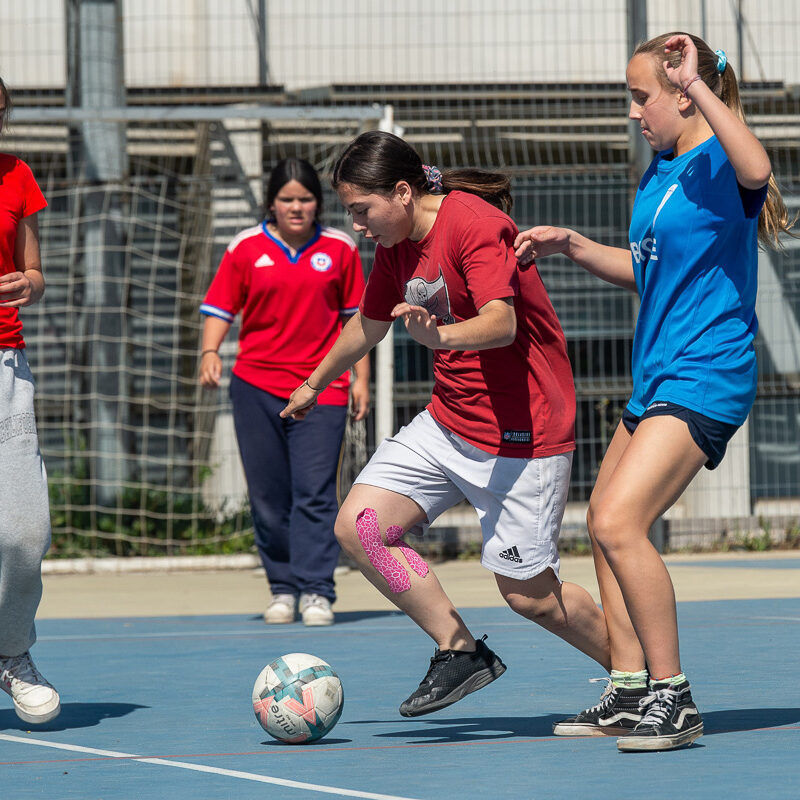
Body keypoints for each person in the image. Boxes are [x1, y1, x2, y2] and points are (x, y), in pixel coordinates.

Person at [515, 33, 794, 752]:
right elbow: (648, 268)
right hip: (661, 374)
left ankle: (675, 696)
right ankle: (631, 686)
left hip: (708, 373)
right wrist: (572, 244)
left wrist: (699, 85)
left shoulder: (717, 166)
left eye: (643, 97)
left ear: (682, 92)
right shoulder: (661, 172)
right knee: (600, 530)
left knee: (616, 522)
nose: (635, 112)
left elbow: (759, 166)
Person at [281, 130, 612, 717]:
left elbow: (500, 324)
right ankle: (458, 648)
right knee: (361, 526)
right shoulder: (396, 242)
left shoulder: (473, 225)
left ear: (402, 192)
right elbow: (370, 321)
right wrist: (313, 383)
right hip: (449, 420)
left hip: (523, 434)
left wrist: (440, 337)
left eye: (362, 210)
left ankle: (640, 674)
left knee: (531, 599)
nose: (356, 224)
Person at [199, 158, 370, 627]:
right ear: (271, 203)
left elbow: (357, 320)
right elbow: (219, 307)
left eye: (306, 198)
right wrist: (209, 352)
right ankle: (282, 588)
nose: (297, 208)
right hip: (256, 387)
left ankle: (317, 589)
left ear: (319, 202)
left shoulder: (340, 247)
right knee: (269, 496)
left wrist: (361, 378)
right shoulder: (245, 247)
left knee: (314, 493)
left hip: (322, 388)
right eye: (287, 199)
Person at [0, 77, 61, 724]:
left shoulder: (17, 175)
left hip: (5, 365)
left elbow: (35, 271)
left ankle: (10, 652)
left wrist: (30, 283)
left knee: (24, 530)